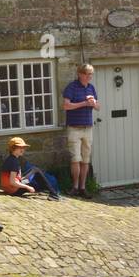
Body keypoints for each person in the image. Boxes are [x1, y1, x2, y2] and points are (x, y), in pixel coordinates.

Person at [62, 63, 99, 198]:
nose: (90, 77)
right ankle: (75, 187)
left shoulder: (91, 88)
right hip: (74, 128)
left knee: (86, 160)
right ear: (80, 74)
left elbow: (98, 107)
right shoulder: (71, 87)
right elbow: (66, 106)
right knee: (75, 159)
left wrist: (93, 104)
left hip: (88, 128)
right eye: (88, 74)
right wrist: (84, 103)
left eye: (91, 74)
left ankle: (83, 188)